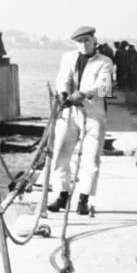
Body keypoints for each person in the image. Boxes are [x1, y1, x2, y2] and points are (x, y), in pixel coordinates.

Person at [46, 25, 115, 215]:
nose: (83, 45)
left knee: (91, 159)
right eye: (79, 41)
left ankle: (84, 199)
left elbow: (104, 88)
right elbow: (63, 78)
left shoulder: (105, 62)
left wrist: (84, 93)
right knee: (60, 155)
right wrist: (63, 94)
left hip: (94, 116)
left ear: (94, 41)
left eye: (86, 40)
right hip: (69, 114)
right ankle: (62, 195)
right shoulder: (68, 58)